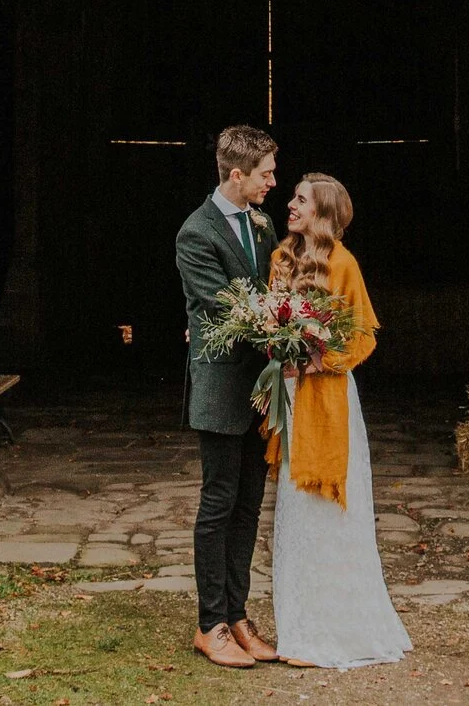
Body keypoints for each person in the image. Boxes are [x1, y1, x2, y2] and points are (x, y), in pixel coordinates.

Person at [265, 173, 411, 670]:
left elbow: (363, 334)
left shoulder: (344, 264)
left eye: (300, 199)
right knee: (294, 511)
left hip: (327, 398)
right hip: (290, 396)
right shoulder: (281, 261)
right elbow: (269, 320)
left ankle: (332, 632)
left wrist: (319, 360)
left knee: (326, 513)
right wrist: (278, 350)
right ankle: (298, 630)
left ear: (322, 212)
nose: (290, 203)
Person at [173, 124, 280, 670]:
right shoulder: (196, 233)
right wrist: (289, 326)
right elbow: (222, 307)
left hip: (260, 388)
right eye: (265, 174)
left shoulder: (260, 226)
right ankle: (209, 623)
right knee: (218, 503)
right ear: (236, 175)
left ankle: (238, 617)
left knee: (249, 503)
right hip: (220, 386)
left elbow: (272, 288)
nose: (273, 183)